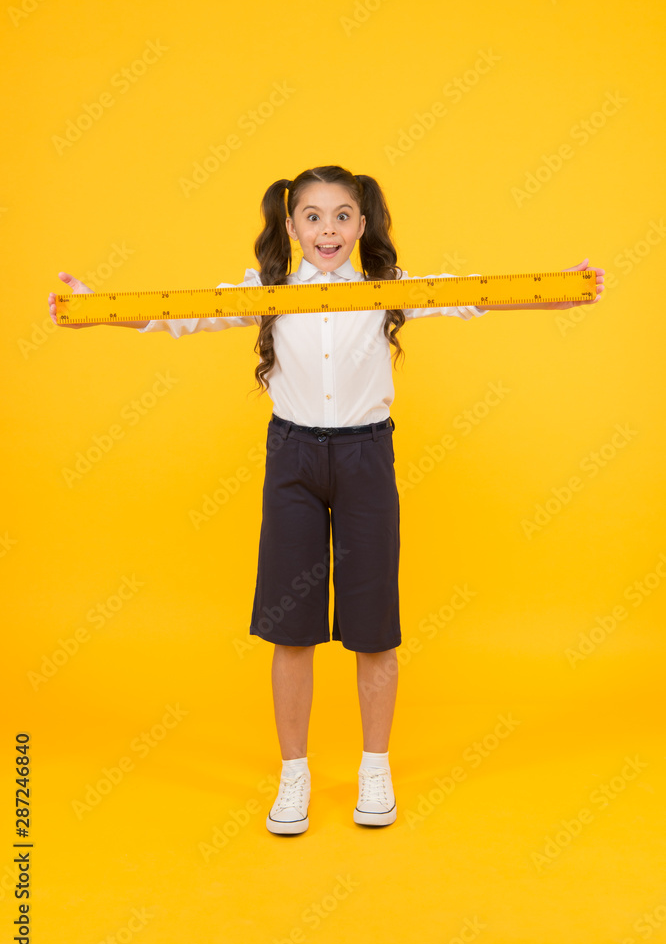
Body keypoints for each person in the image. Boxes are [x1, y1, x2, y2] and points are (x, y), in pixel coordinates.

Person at [48, 164, 605, 837]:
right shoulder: (268, 291)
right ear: (291, 227)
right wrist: (90, 309)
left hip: (367, 457)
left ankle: (375, 768)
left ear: (362, 224)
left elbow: (472, 298)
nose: (328, 230)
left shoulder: (385, 289)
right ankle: (295, 775)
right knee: (291, 627)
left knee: (375, 623)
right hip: (293, 461)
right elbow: (183, 316)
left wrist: (560, 296)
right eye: (312, 217)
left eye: (342, 215)